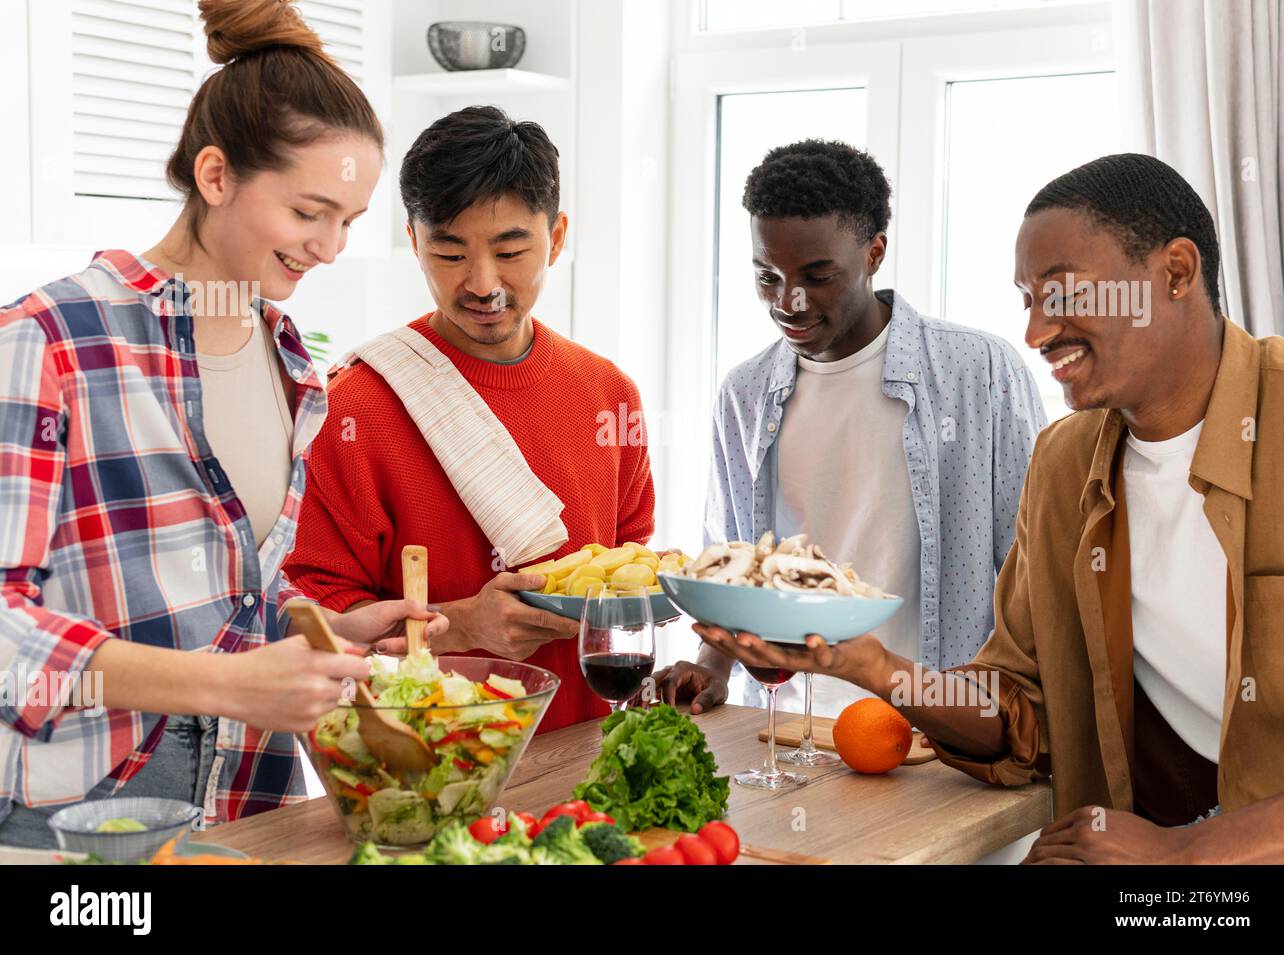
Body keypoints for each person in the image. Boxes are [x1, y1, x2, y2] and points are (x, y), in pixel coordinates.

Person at [695, 153, 1284, 863]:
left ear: (1174, 272)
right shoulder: (1065, 463)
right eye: (1028, 301)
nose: (1037, 333)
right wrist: (875, 667)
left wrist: (1186, 851)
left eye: (1064, 293)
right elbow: (1020, 711)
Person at [0, 0, 446, 849]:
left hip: (250, 800)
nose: (329, 247)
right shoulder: (46, 340)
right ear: (215, 176)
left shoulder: (292, 364)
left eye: (347, 223)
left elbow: (227, 585)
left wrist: (315, 627)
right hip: (75, 813)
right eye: (309, 212)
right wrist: (220, 685)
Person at [285, 107, 656, 734]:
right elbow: (315, 617)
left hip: (587, 755)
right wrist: (459, 627)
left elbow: (634, 566)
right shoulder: (355, 408)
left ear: (557, 237)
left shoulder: (609, 394)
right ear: (414, 241)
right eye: (449, 253)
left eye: (511, 250)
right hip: (427, 764)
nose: (483, 285)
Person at [655, 139, 1046, 717]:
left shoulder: (979, 371)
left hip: (943, 729)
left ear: (874, 253)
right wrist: (710, 667)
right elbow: (730, 568)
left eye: (817, 276)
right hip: (788, 725)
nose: (788, 301)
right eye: (767, 276)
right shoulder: (744, 393)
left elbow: (1036, 569)